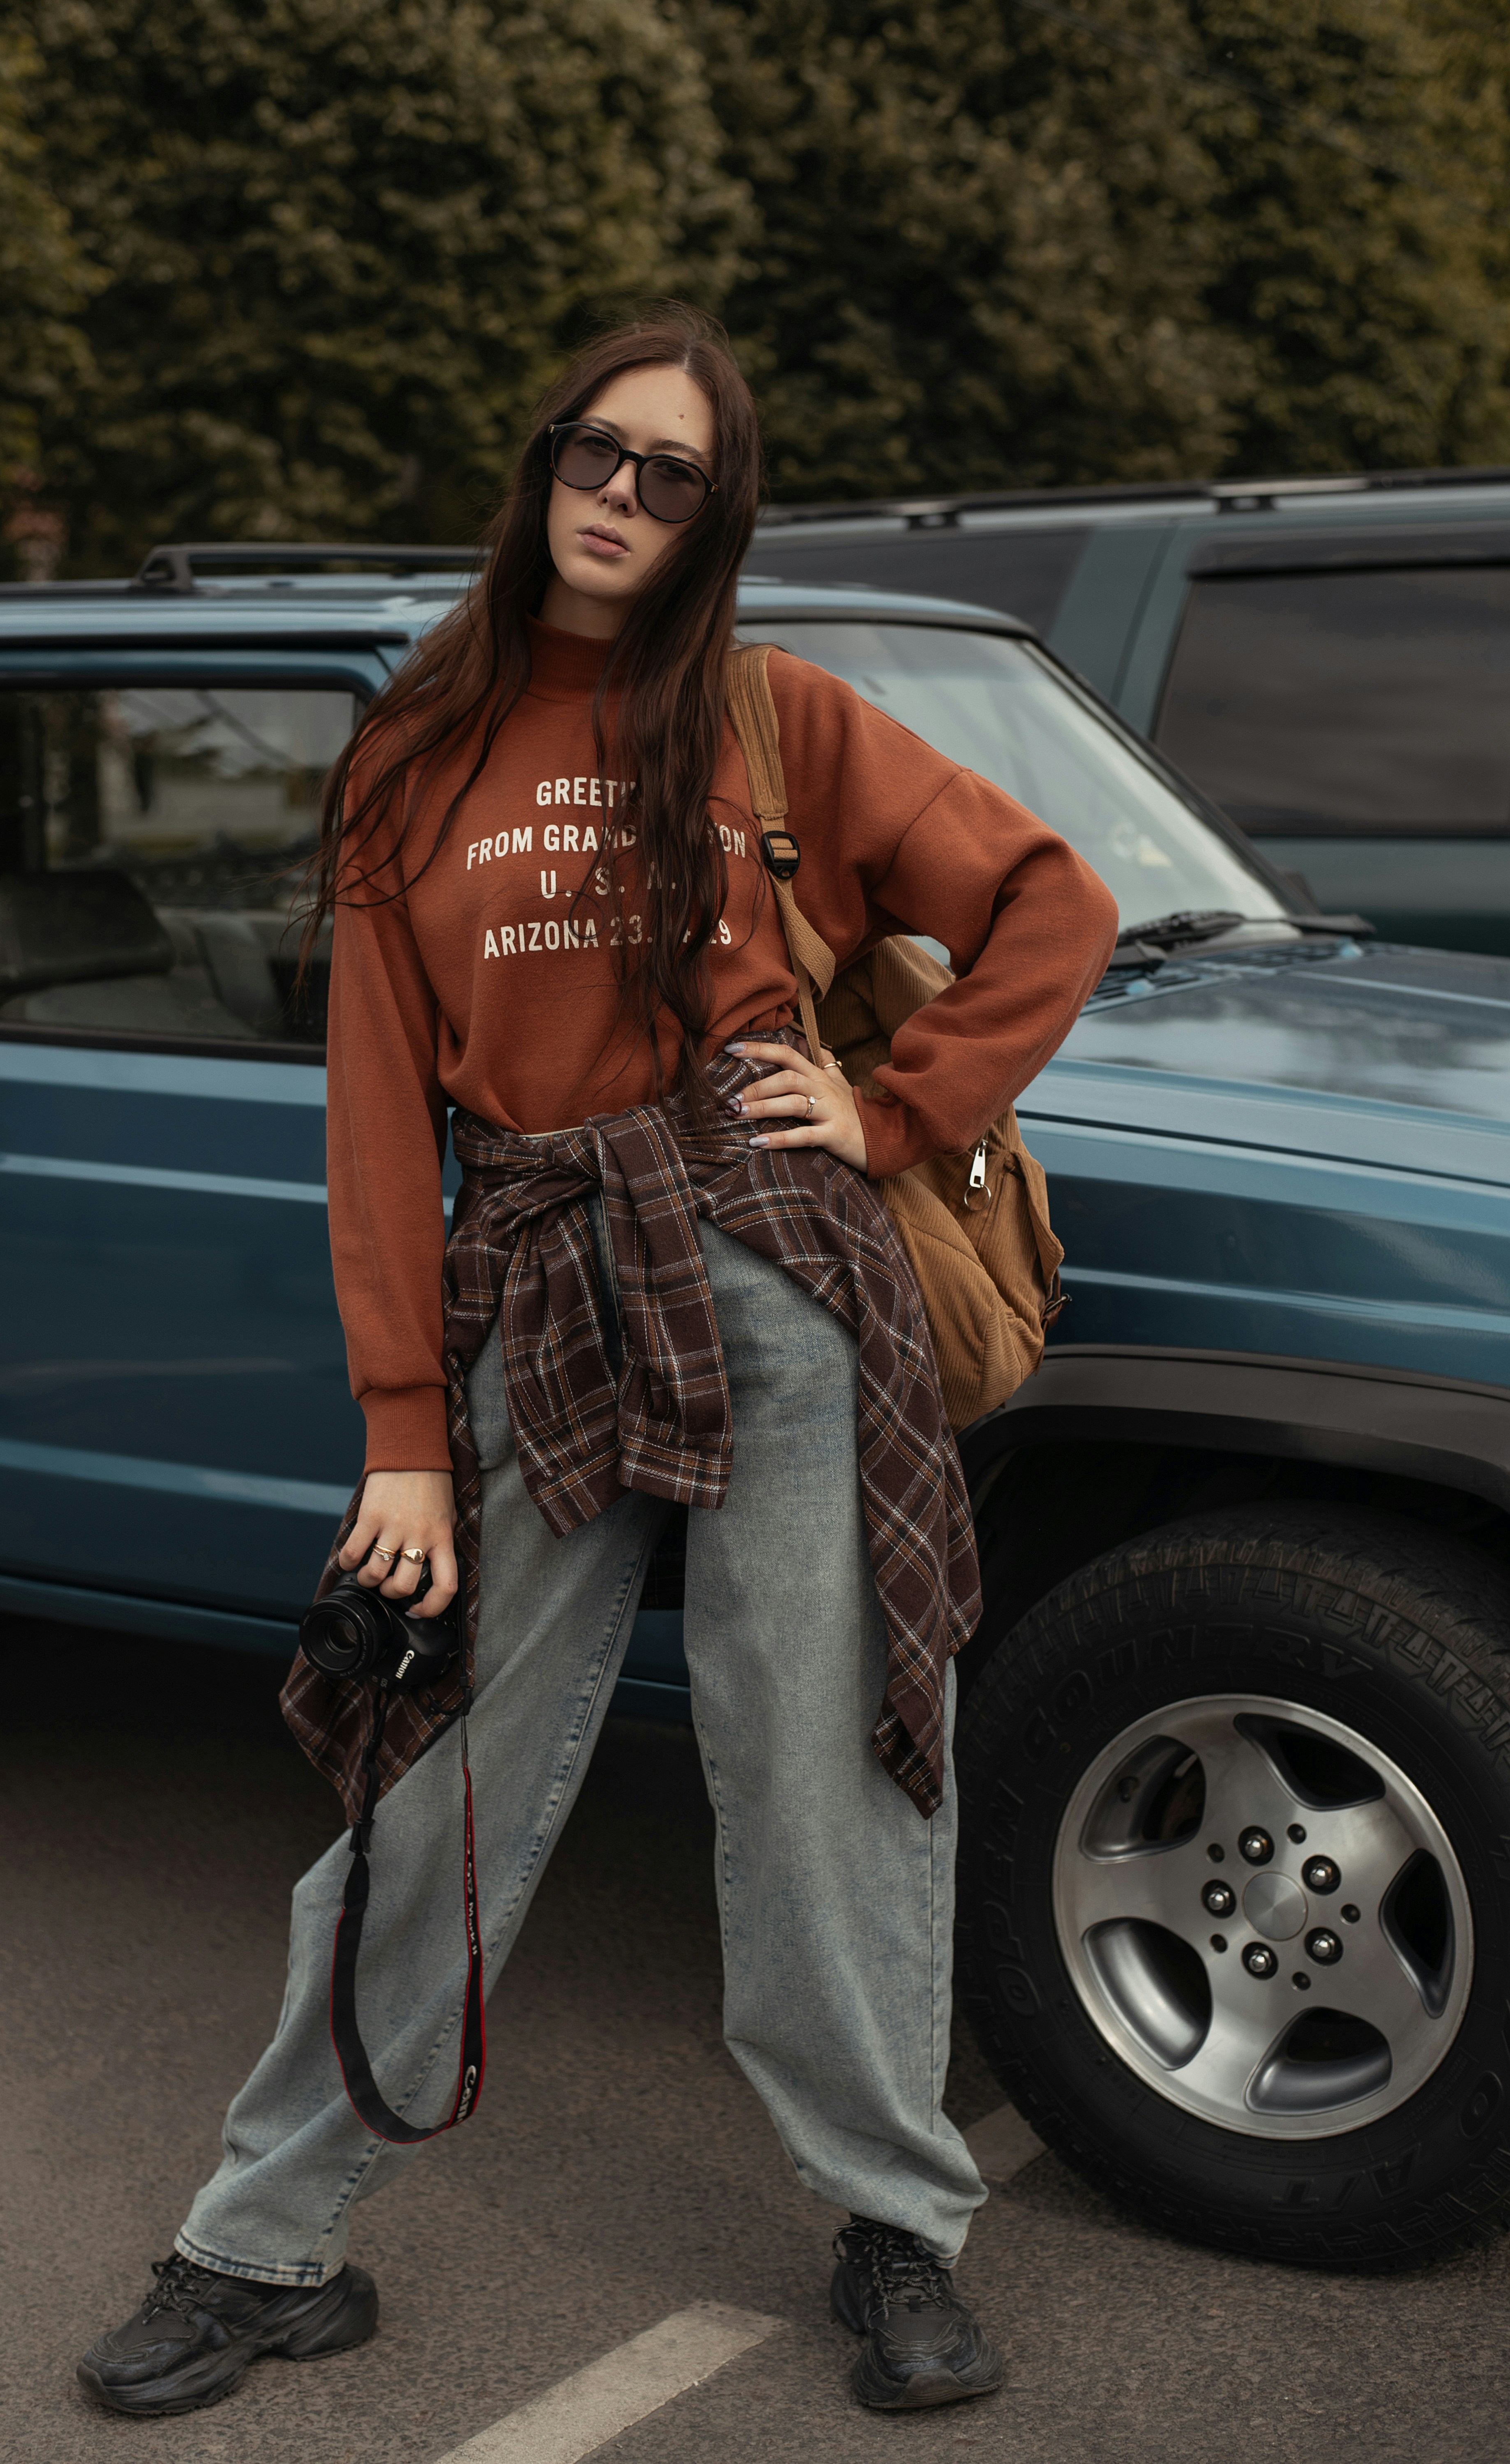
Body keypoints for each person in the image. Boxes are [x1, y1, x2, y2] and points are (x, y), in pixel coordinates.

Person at [78, 306, 1118, 2422]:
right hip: (538, 1277)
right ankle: (267, 2240)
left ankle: (895, 2222)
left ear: (714, 517)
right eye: (598, 454)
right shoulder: (412, 751)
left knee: (821, 1763)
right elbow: (382, 1120)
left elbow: (1052, 904)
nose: (625, 497)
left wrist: (896, 1110)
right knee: (435, 1765)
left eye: (676, 475)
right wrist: (402, 1442)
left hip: (773, 1269)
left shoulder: (771, 714)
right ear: (541, 465)